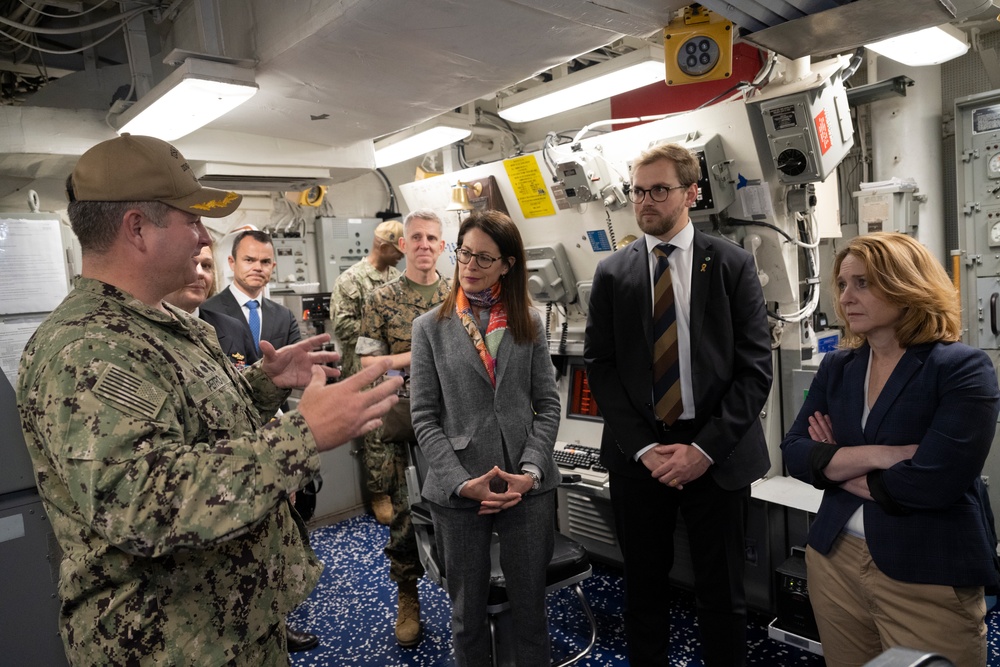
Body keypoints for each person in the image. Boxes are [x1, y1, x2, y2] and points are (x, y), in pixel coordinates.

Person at [16, 133, 401, 666]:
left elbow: (188, 428)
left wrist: (264, 385)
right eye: (190, 219)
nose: (203, 237)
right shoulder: (88, 349)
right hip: (168, 645)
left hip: (234, 624)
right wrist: (302, 434)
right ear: (137, 228)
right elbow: (144, 504)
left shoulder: (160, 324)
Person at [583, 142, 772, 667]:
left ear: (691, 193)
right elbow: (601, 366)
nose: (645, 201)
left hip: (716, 451)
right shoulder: (612, 273)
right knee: (643, 590)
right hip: (639, 457)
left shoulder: (731, 265)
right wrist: (643, 447)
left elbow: (755, 371)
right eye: (638, 191)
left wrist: (703, 450)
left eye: (659, 190)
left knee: (722, 594)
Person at [780, 232, 1000, 667]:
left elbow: (933, 482)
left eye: (863, 283)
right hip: (834, 558)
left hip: (926, 567)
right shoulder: (839, 366)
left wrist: (836, 461)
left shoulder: (962, 368)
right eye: (842, 285)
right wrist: (886, 455)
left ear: (907, 286)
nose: (846, 297)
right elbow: (794, 452)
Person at [410, 209, 561, 666]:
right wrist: (460, 481)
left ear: (507, 265)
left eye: (484, 258)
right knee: (466, 614)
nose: (470, 266)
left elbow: (548, 406)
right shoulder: (428, 329)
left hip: (526, 488)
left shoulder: (529, 323)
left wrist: (530, 471)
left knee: (531, 611)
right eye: (464, 254)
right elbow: (424, 418)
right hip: (458, 492)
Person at [163, 242, 319, 653]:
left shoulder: (244, 323)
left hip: (258, 447)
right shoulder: (199, 318)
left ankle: (277, 619)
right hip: (211, 503)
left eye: (205, 264)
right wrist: (294, 444)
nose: (199, 271)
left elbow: (235, 400)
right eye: (250, 259)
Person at [355, 209, 450, 647]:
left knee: (461, 510)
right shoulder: (379, 299)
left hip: (456, 420)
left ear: (442, 246)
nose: (425, 245)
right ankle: (407, 596)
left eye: (433, 238)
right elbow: (366, 364)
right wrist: (416, 356)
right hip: (403, 420)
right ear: (404, 245)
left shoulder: (459, 295)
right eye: (417, 238)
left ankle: (466, 593)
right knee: (407, 515)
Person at [330, 219, 405, 524]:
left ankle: (403, 488)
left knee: (400, 429)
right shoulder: (352, 280)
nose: (402, 256)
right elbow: (344, 328)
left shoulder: (397, 277)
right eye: (397, 251)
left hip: (396, 367)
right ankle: (380, 494)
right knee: (375, 433)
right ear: (382, 246)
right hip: (365, 372)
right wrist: (384, 333)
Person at [201, 228, 301, 352]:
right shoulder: (207, 312)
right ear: (232, 263)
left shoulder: (285, 317)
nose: (258, 268)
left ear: (273, 266)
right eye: (249, 260)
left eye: (265, 262)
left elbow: (297, 360)